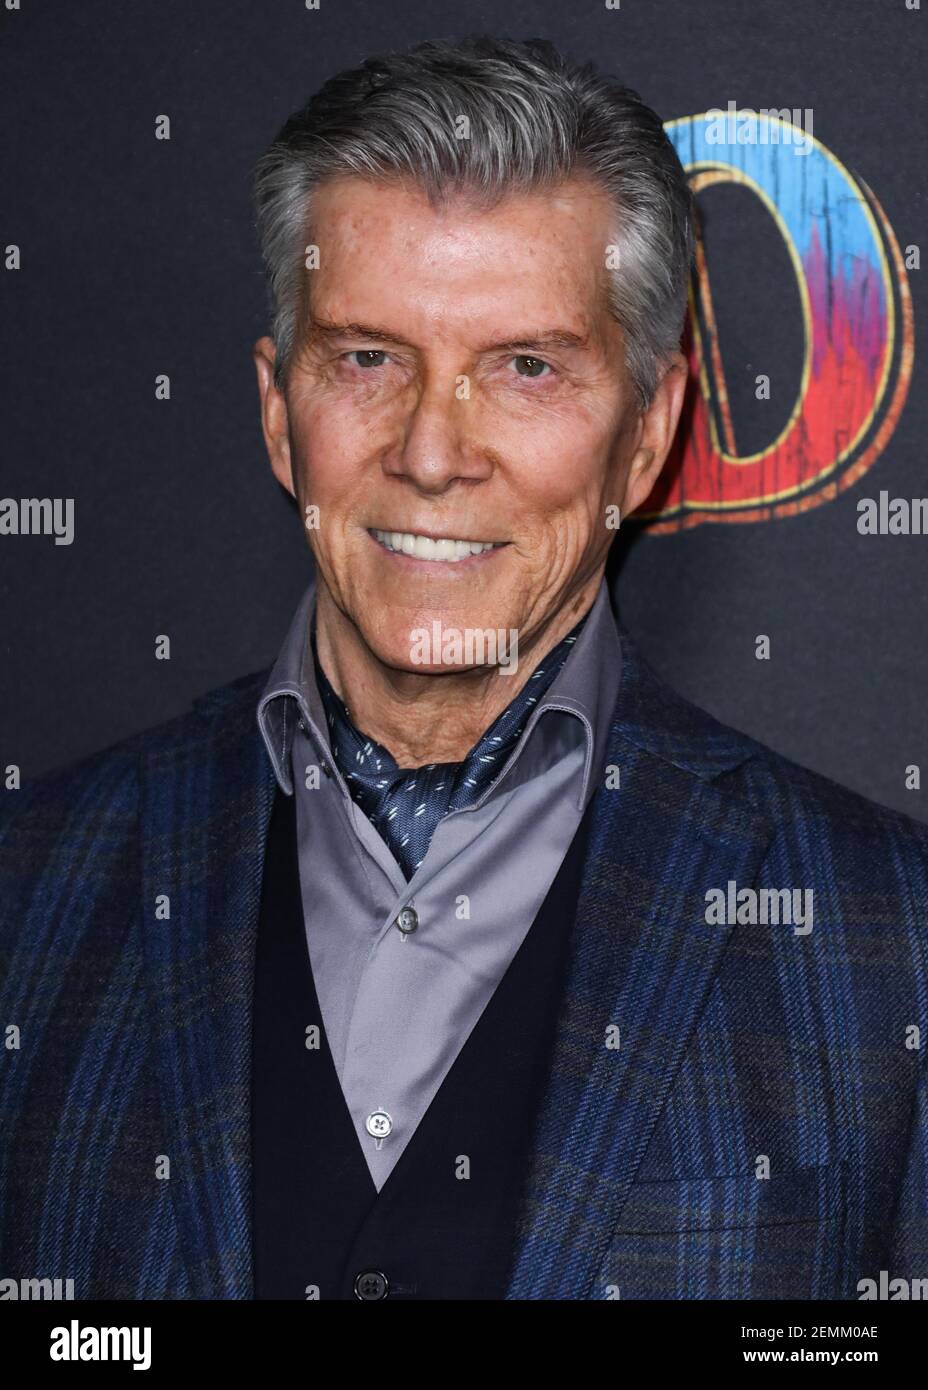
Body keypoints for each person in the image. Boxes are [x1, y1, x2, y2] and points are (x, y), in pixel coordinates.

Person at [1, 35, 926, 1302]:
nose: (433, 452)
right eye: (368, 358)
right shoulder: (30, 891)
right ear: (281, 414)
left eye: (526, 367)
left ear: (648, 431)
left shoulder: (893, 940)